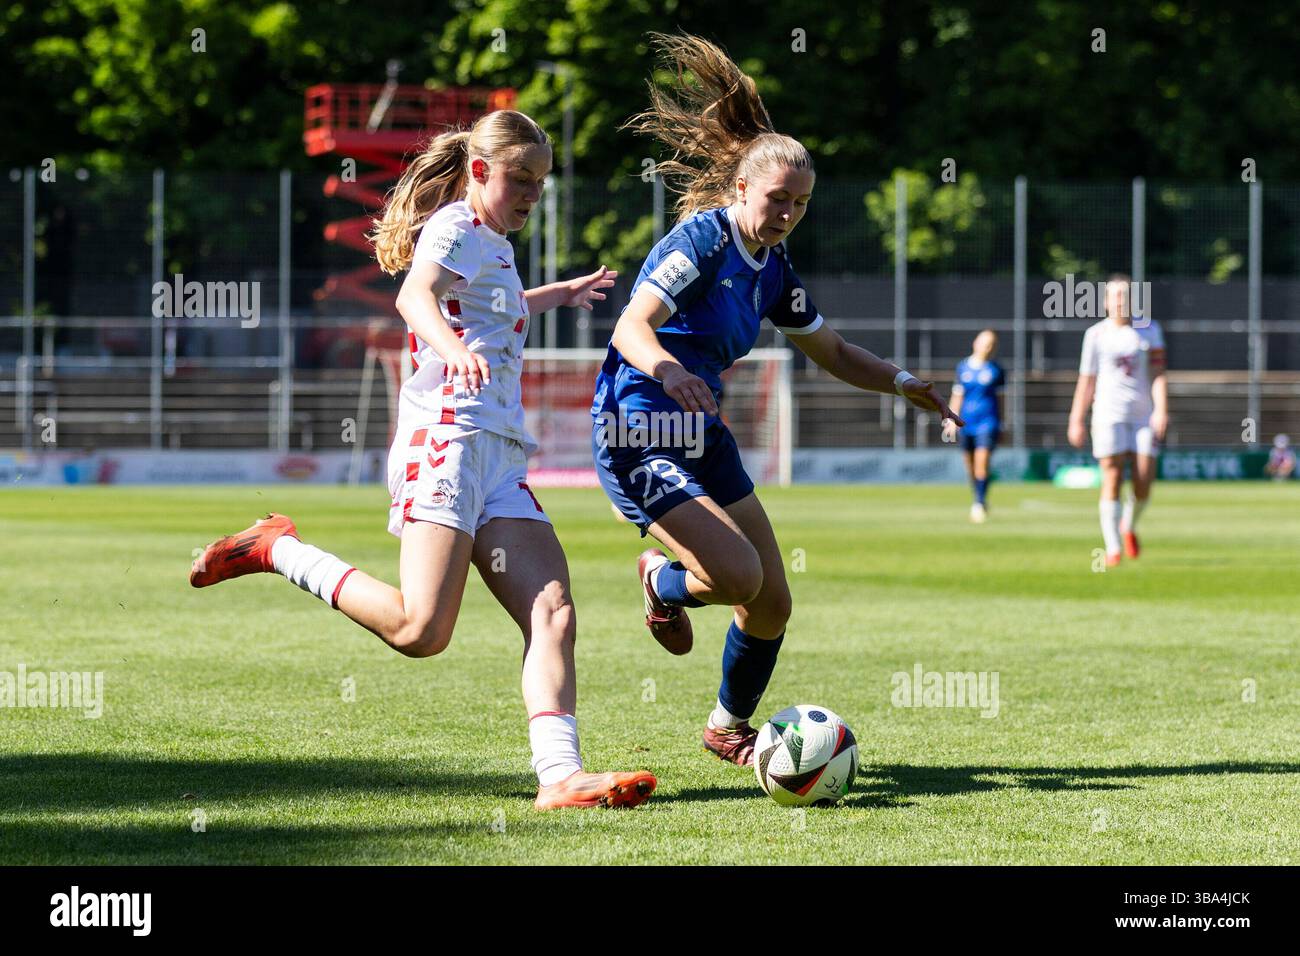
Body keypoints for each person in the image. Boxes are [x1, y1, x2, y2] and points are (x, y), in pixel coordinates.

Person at [191, 110, 655, 810]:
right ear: (479, 172)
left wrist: (551, 297)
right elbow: (416, 296)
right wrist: (453, 349)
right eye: (521, 179)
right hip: (446, 441)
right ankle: (277, 550)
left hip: (499, 456)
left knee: (553, 612)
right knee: (420, 631)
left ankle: (560, 776)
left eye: (541, 182)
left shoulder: (491, 241)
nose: (532, 194)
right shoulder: (456, 226)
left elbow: (488, 306)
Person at [591, 34, 962, 765]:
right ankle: (662, 582)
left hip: (701, 431)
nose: (789, 211)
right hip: (636, 430)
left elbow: (834, 352)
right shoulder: (700, 243)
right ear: (740, 190)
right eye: (777, 198)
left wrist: (902, 383)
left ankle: (727, 726)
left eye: (800, 202)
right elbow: (631, 326)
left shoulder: (773, 269)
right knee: (737, 576)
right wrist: (668, 371)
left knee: (771, 603)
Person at [1068, 274, 1168, 567]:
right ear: (1106, 302)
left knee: (1143, 480)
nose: (1121, 301)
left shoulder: (1150, 329)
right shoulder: (1096, 334)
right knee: (1111, 475)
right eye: (1115, 296)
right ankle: (1112, 547)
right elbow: (1086, 380)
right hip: (1107, 414)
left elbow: (1158, 374)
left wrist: (1161, 409)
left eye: (1126, 296)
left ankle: (1128, 524)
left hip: (1143, 416)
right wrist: (1076, 418)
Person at [942, 329, 1005, 522]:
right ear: (976, 343)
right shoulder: (963, 367)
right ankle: (979, 497)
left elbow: (1002, 399)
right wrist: (950, 420)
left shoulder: (997, 370)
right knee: (970, 468)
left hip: (988, 423)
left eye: (992, 344)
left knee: (981, 465)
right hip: (966, 423)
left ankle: (979, 503)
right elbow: (957, 395)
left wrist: (1003, 424)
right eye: (985, 343)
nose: (988, 347)